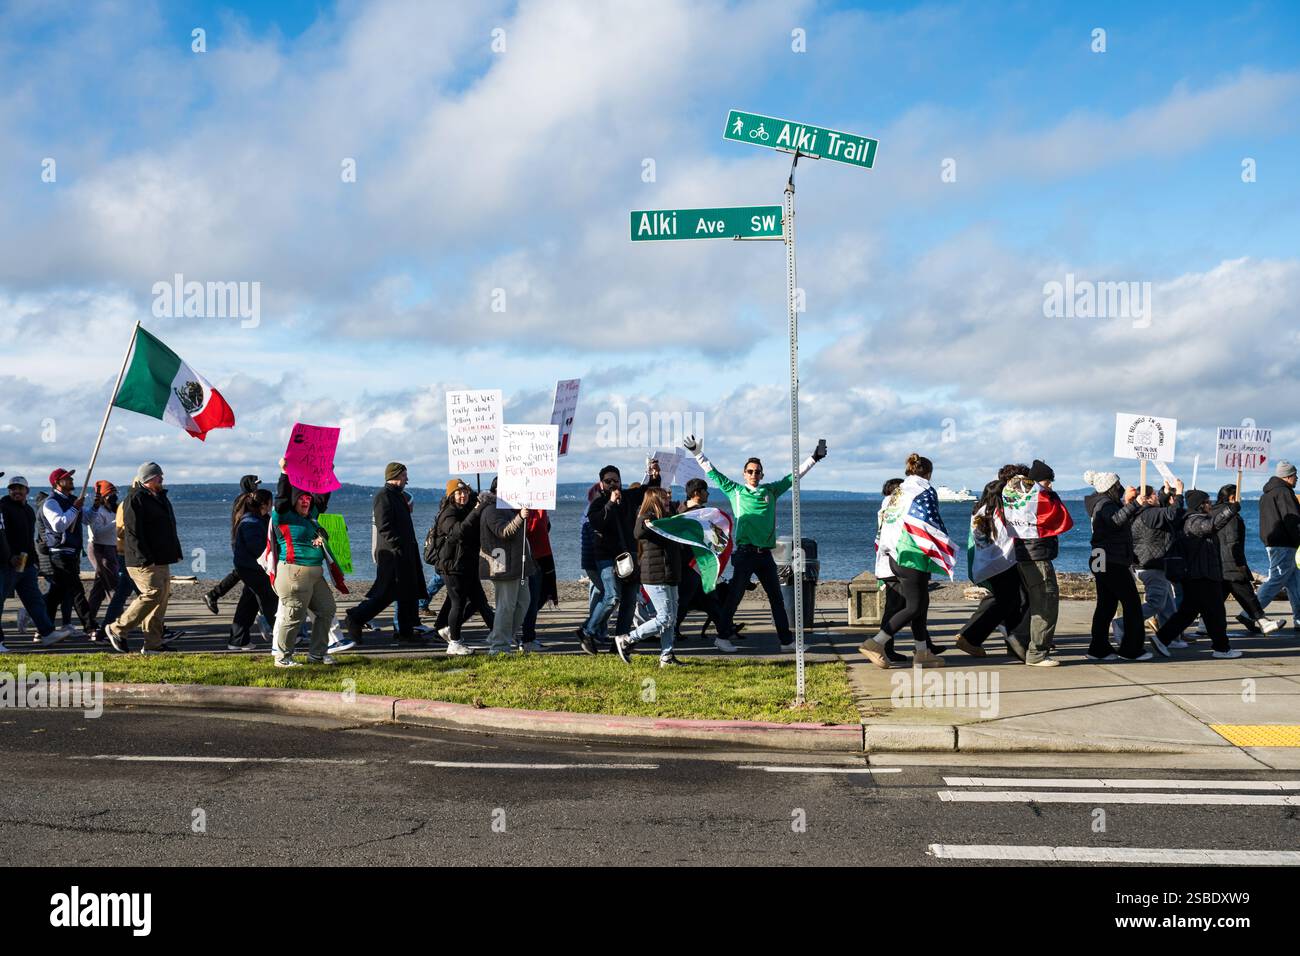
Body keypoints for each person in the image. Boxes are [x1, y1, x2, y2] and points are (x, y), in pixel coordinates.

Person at [682, 435, 827, 651]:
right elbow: (713, 472)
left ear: (762, 474)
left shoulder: (771, 491)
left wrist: (814, 457)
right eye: (750, 471)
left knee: (777, 598)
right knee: (734, 598)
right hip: (745, 554)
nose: (753, 474)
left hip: (765, 555)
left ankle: (786, 642)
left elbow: (794, 477)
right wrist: (696, 452)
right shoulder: (736, 491)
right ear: (744, 474)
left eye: (757, 471)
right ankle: (722, 638)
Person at [857, 454, 947, 670]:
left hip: (895, 555)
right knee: (914, 606)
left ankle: (923, 651)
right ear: (928, 473)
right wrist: (944, 546)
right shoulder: (924, 489)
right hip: (913, 555)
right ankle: (876, 643)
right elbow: (931, 521)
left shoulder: (899, 492)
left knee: (921, 604)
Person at [576, 459, 661, 654]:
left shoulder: (630, 497)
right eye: (608, 481)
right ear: (601, 484)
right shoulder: (597, 504)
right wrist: (611, 504)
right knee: (612, 596)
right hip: (606, 558)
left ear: (621, 481)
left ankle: (621, 642)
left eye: (616, 480)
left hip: (629, 557)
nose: (613, 484)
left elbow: (648, 490)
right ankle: (587, 631)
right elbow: (598, 524)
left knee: (630, 600)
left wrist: (655, 475)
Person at [343, 462, 428, 646]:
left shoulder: (397, 495)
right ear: (396, 476)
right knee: (385, 595)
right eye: (405, 475)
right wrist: (399, 545)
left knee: (407, 594)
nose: (407, 479)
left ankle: (405, 633)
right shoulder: (384, 496)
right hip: (393, 556)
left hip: (403, 554)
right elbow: (384, 526)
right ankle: (355, 617)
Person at [1154, 490, 1243, 658]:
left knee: (1189, 613)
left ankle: (1162, 638)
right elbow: (1211, 526)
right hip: (1201, 576)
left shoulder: (1191, 520)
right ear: (1200, 505)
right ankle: (1222, 648)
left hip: (1200, 575)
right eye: (1208, 501)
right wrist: (1230, 510)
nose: (1210, 504)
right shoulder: (1194, 520)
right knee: (1215, 613)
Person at [105, 462, 182, 655]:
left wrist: (174, 552)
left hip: (162, 558)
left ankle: (153, 644)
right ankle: (117, 629)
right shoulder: (135, 499)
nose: (162, 479)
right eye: (158, 476)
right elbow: (132, 532)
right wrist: (144, 558)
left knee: (161, 600)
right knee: (153, 593)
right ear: (147, 479)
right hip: (144, 560)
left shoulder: (160, 497)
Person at [957, 468, 1028, 660]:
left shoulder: (979, 512)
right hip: (1003, 564)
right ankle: (971, 637)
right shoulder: (999, 514)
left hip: (985, 565)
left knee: (1009, 603)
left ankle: (1016, 645)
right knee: (1006, 604)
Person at [267, 473, 336, 667]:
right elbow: (281, 498)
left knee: (326, 609)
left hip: (314, 574)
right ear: (293, 500)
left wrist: (326, 472)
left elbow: (322, 498)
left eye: (308, 499)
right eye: (301, 499)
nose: (306, 502)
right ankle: (283, 658)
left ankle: (316, 655)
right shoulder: (284, 515)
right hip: (293, 573)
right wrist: (284, 474)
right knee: (294, 615)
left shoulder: (310, 515)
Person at [614, 488, 685, 667]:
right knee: (665, 617)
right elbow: (638, 532)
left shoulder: (670, 517)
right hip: (655, 575)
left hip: (671, 574)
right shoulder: (646, 517)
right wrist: (648, 521)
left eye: (668, 497)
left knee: (671, 618)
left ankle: (667, 656)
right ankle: (627, 639)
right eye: (663, 498)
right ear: (653, 500)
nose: (668, 500)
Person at [1, 476, 73, 649]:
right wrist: (9, 557)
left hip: (26, 563)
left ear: (27, 491)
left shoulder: (28, 510)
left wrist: (35, 562)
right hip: (7, 564)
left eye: (20, 488)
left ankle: (47, 633)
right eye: (12, 488)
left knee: (34, 600)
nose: (16, 491)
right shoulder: (3, 507)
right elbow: (2, 537)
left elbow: (29, 538)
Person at [1082, 470, 1148, 661]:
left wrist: (1130, 504)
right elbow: (1115, 521)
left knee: (1106, 604)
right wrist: (1135, 504)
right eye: (1117, 486)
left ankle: (1098, 648)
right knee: (1132, 604)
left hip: (1100, 556)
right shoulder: (1105, 504)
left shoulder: (1099, 503)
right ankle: (1131, 649)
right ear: (1111, 487)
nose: (1120, 488)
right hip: (1110, 558)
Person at [673, 478, 740, 653]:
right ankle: (671, 631)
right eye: (705, 491)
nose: (708, 494)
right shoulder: (696, 514)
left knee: (708, 599)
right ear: (697, 493)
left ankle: (724, 631)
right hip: (692, 564)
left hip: (694, 564)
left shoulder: (679, 510)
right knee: (686, 600)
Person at [38, 468, 102, 643]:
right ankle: (91, 627)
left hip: (72, 552)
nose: (71, 480)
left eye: (70, 477)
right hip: (59, 552)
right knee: (76, 590)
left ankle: (43, 629)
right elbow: (59, 525)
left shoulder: (73, 500)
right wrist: (75, 508)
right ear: (57, 482)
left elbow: (87, 519)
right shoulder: (50, 503)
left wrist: (95, 507)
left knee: (57, 594)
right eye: (67, 478)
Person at [433, 480, 493, 656]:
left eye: (465, 492)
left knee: (478, 601)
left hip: (467, 564)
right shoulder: (448, 513)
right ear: (451, 495)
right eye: (459, 493)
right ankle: (454, 643)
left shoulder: (465, 508)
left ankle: (451, 630)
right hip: (452, 565)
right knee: (458, 603)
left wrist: (480, 500)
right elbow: (459, 532)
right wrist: (476, 510)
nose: (463, 495)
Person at [1214, 484, 1284, 635]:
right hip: (1232, 564)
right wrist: (1241, 566)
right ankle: (1263, 622)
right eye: (1238, 496)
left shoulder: (1213, 513)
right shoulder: (1231, 516)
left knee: (1216, 599)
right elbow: (1233, 541)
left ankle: (1203, 625)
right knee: (1248, 595)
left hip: (1218, 563)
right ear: (1233, 498)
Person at [1124, 480, 1185, 652]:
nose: (1158, 497)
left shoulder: (1142, 512)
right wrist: (1179, 493)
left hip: (1149, 563)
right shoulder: (1149, 514)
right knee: (1156, 604)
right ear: (1148, 499)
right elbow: (1171, 514)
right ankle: (1122, 624)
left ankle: (1169, 638)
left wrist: (1165, 493)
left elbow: (1164, 511)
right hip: (1152, 564)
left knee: (1168, 606)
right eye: (1155, 495)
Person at [477, 477, 535, 655]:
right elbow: (503, 532)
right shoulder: (492, 509)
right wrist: (520, 517)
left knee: (523, 602)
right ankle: (499, 647)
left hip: (515, 564)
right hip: (503, 565)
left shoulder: (504, 508)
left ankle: (500, 637)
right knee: (506, 605)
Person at [203, 475, 263, 615]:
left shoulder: (243, 500)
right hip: (243, 541)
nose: (257, 487)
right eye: (255, 484)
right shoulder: (246, 501)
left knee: (241, 573)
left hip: (241, 541)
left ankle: (213, 595)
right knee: (247, 572)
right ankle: (213, 594)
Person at [227, 489, 278, 650]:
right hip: (252, 568)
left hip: (249, 567)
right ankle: (281, 637)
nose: (273, 504)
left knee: (248, 603)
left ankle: (237, 640)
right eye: (271, 501)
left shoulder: (260, 519)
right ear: (264, 504)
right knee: (270, 599)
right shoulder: (251, 522)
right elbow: (257, 548)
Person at [1255, 460, 1300, 628]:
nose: (1297, 478)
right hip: (1285, 544)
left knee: (1295, 582)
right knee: (1276, 580)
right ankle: (1250, 613)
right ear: (1288, 477)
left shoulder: (1266, 494)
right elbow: (1292, 520)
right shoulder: (1284, 493)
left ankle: (1299, 618)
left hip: (1273, 542)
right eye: (1295, 475)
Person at [521, 506, 557, 652]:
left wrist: (546, 523)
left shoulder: (541, 508)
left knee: (541, 595)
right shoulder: (525, 508)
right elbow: (526, 531)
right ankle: (527, 638)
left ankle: (527, 633)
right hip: (531, 557)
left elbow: (543, 529)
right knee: (532, 599)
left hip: (543, 555)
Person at [85, 480, 120, 626]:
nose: (114, 497)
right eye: (110, 494)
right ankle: (118, 620)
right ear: (104, 497)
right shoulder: (97, 511)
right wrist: (116, 523)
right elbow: (97, 533)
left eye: (115, 494)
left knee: (99, 588)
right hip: (99, 548)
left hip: (112, 548)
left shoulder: (114, 510)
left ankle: (89, 618)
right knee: (112, 585)